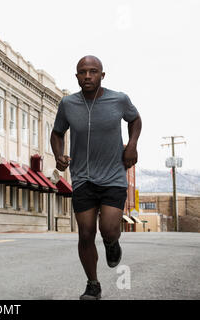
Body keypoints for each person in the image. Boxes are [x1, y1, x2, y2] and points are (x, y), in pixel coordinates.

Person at [51, 56, 142, 300]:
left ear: (103, 75)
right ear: (77, 76)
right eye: (83, 72)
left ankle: (112, 244)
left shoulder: (119, 100)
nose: (88, 76)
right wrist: (59, 155)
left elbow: (135, 119)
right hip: (82, 178)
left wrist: (131, 145)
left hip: (113, 175)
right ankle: (93, 284)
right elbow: (57, 133)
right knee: (85, 233)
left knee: (109, 229)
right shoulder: (68, 104)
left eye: (93, 72)